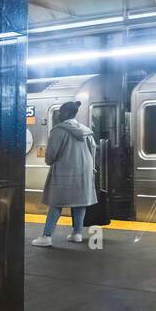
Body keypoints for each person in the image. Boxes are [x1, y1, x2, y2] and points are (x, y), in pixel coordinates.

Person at [32, 100, 97, 246]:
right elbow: (93, 150)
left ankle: (46, 236)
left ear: (66, 112)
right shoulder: (86, 131)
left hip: (64, 171)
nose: (59, 115)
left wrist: (49, 161)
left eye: (60, 112)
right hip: (84, 171)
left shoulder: (59, 130)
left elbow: (51, 154)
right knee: (80, 202)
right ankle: (77, 233)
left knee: (56, 202)